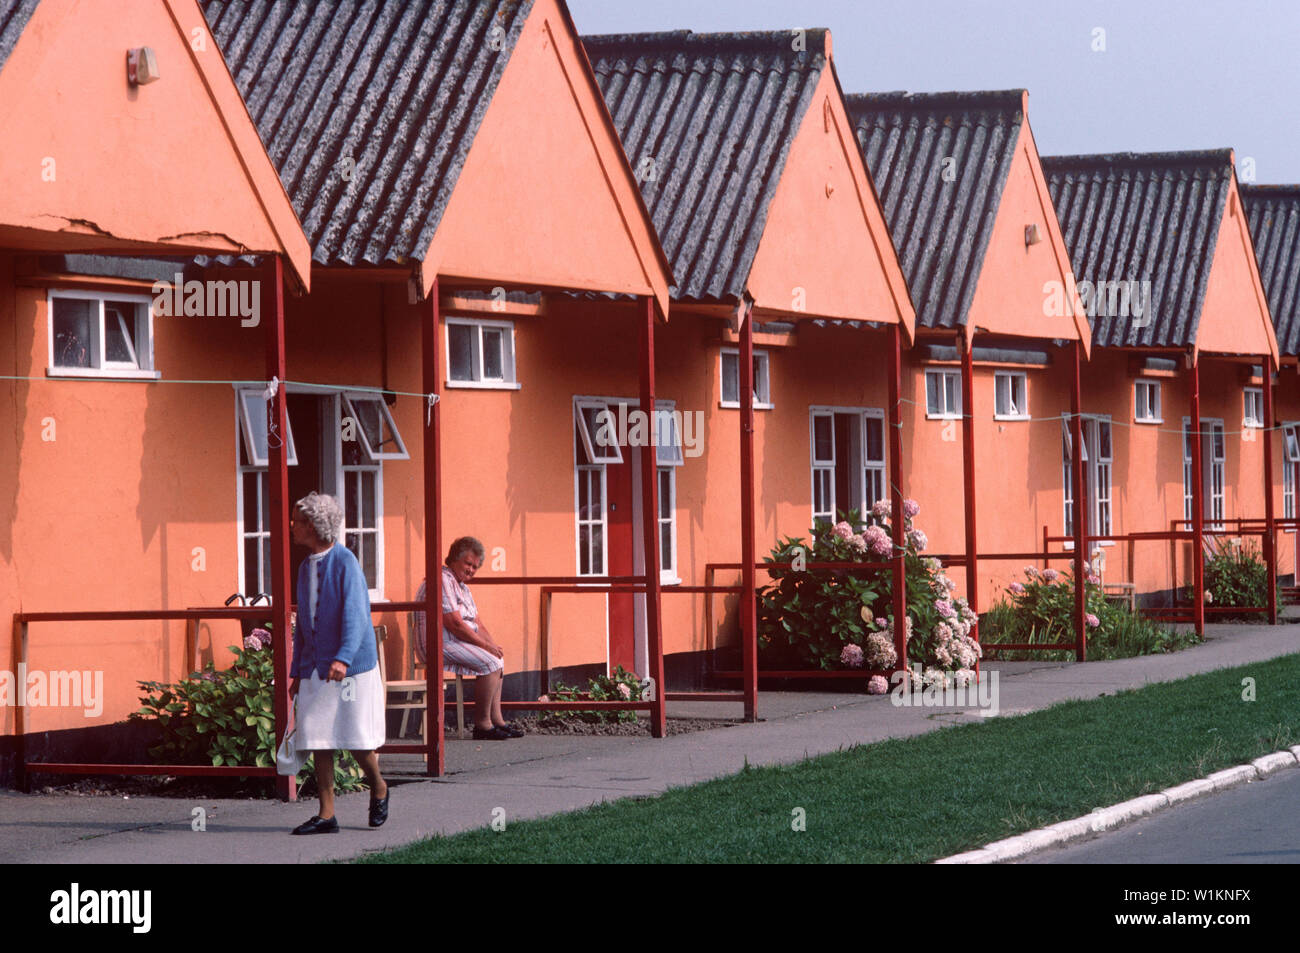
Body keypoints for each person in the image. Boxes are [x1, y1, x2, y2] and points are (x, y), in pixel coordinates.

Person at [287, 492, 390, 834]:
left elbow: (357, 615)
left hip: (351, 668)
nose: (292, 526)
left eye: (298, 521)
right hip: (316, 668)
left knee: (357, 739)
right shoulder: (305, 567)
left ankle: (378, 786)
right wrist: (296, 672)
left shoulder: (345, 561)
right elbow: (303, 621)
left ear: (315, 526)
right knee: (317, 738)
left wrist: (343, 658)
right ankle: (327, 814)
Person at [414, 536, 523, 740]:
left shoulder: (462, 586)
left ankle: (497, 721)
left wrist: (492, 645)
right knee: (490, 662)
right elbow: (454, 623)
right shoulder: (442, 578)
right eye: (468, 564)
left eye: (475, 567)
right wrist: (485, 647)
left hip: (454, 641)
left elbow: (477, 623)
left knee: (497, 658)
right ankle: (482, 726)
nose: (471, 570)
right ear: (454, 558)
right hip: (438, 643)